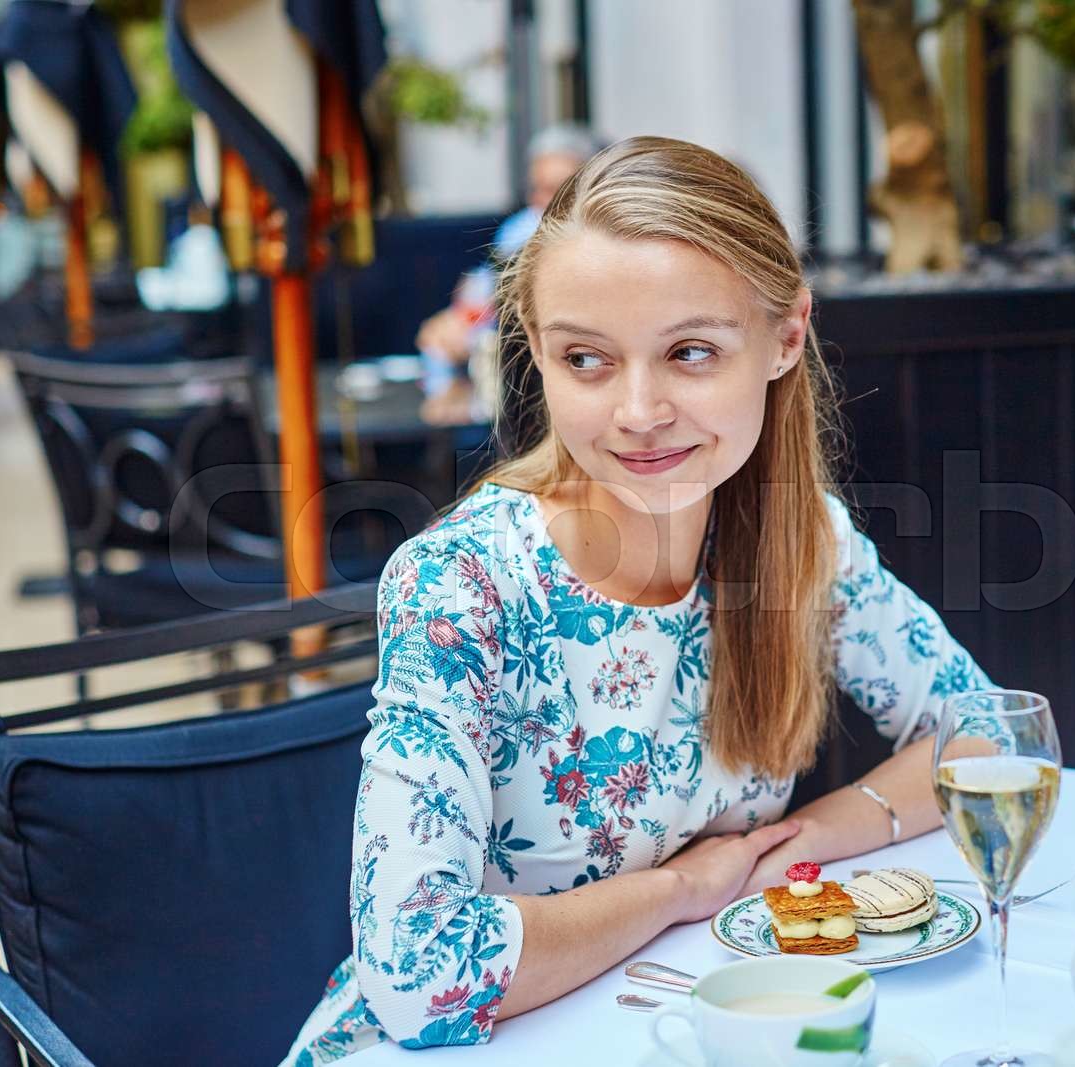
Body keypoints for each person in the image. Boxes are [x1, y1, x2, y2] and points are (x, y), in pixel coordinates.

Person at [279, 136, 992, 1063]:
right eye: (587, 359)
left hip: (681, 1021)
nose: (639, 412)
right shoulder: (462, 583)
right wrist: (683, 890)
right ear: (537, 351)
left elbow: (990, 734)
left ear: (785, 338)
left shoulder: (800, 539)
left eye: (691, 352)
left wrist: (800, 841)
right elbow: (418, 975)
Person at [416, 124, 601, 425]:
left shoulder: (601, 243)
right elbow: (486, 289)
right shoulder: (521, 228)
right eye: (537, 189)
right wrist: (460, 322)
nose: (543, 202)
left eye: (557, 189)